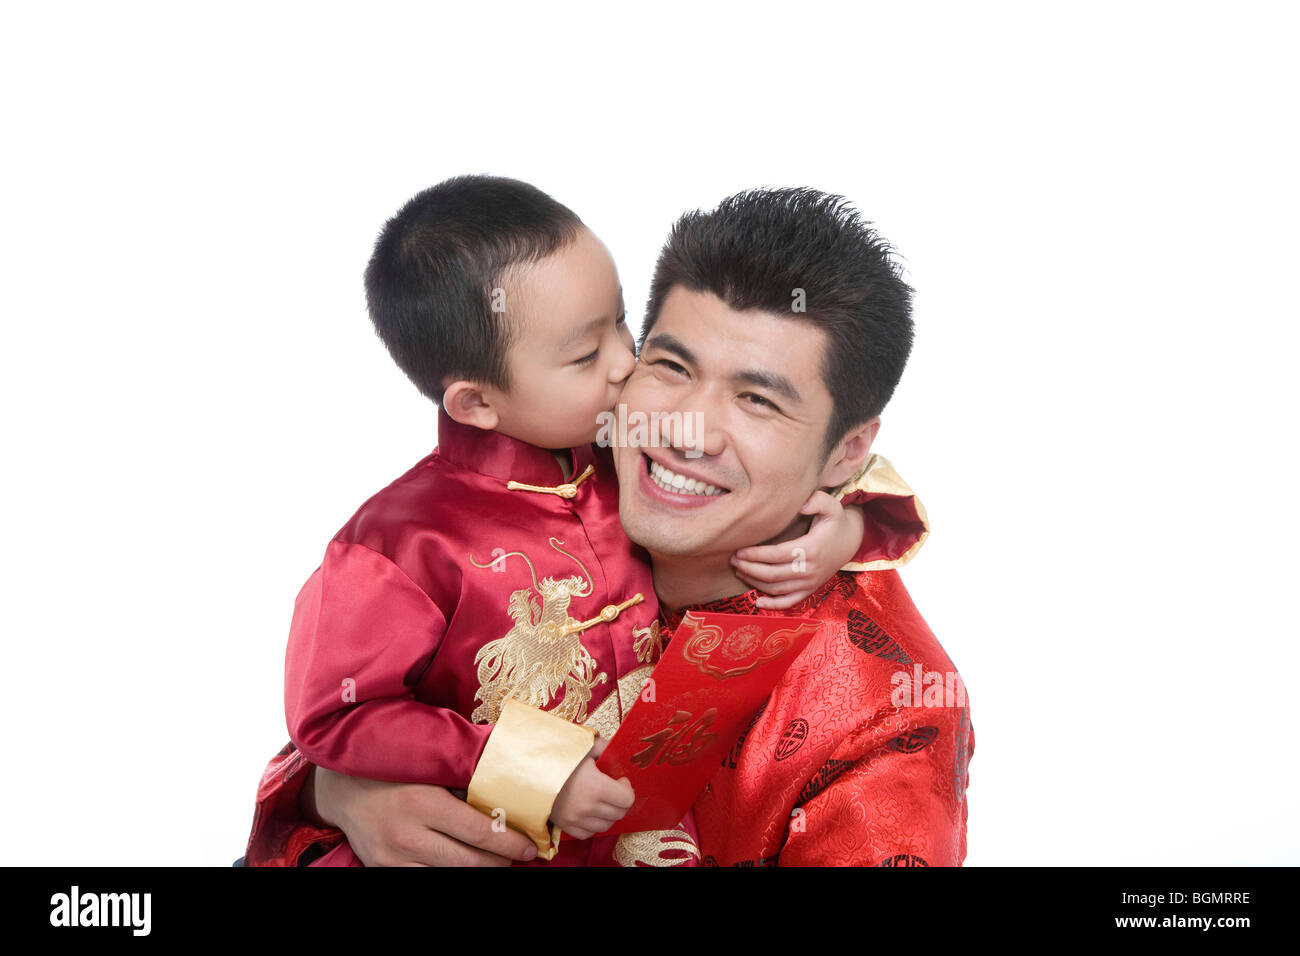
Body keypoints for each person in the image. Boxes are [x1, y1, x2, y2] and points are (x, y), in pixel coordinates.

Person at [240, 176, 887, 867]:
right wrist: (526, 768)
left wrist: (850, 528)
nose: (625, 366)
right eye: (585, 355)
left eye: (622, 324)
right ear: (476, 402)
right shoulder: (400, 544)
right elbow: (335, 717)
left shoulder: (627, 456)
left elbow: (805, 452)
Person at [612, 188, 972, 865]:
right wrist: (348, 790)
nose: (684, 430)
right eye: (670, 366)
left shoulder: (886, 712)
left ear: (847, 450)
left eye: (756, 400)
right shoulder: (554, 491)